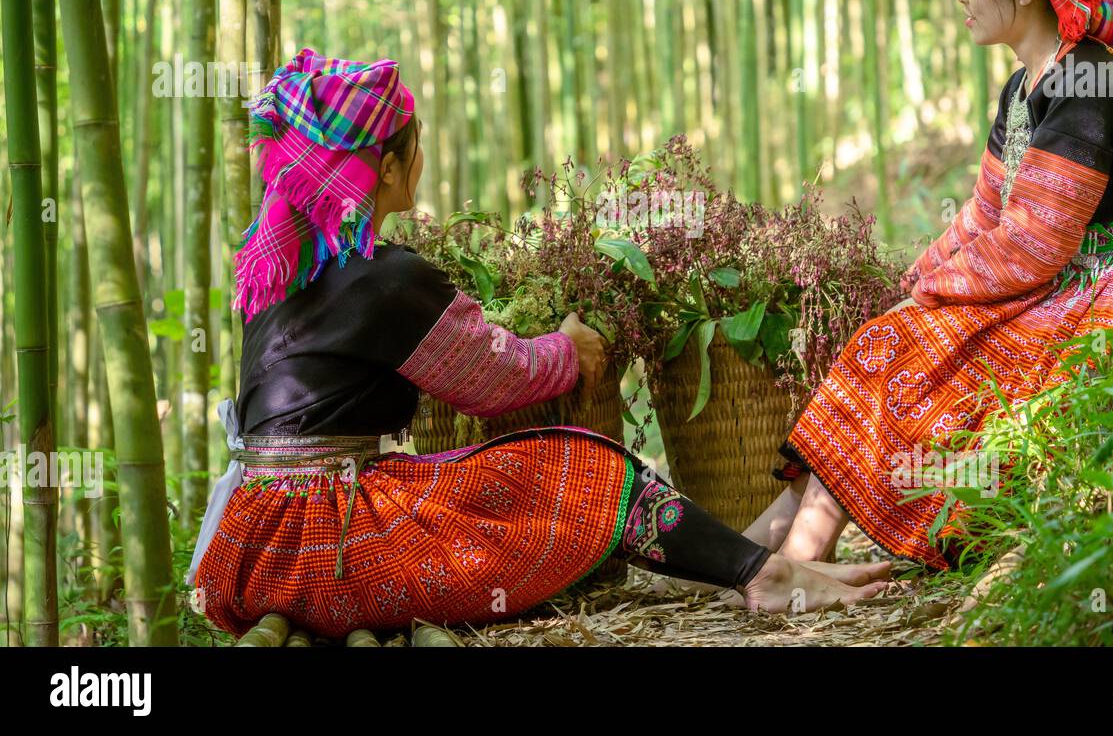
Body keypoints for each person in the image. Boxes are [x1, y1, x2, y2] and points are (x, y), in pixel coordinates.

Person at [188, 48, 891, 640]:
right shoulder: (386, 278)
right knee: (588, 471)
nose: (423, 156)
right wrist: (568, 346)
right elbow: (493, 377)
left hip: (246, 547)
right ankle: (763, 575)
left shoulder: (275, 261)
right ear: (391, 168)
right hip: (323, 543)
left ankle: (759, 558)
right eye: (416, 142)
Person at [746, 0, 1113, 570]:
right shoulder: (1025, 83)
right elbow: (987, 213)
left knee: (907, 344)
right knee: (893, 335)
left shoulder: (1088, 81)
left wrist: (935, 291)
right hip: (1065, 276)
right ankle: (777, 544)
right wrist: (924, 271)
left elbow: (1032, 244)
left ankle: (796, 555)